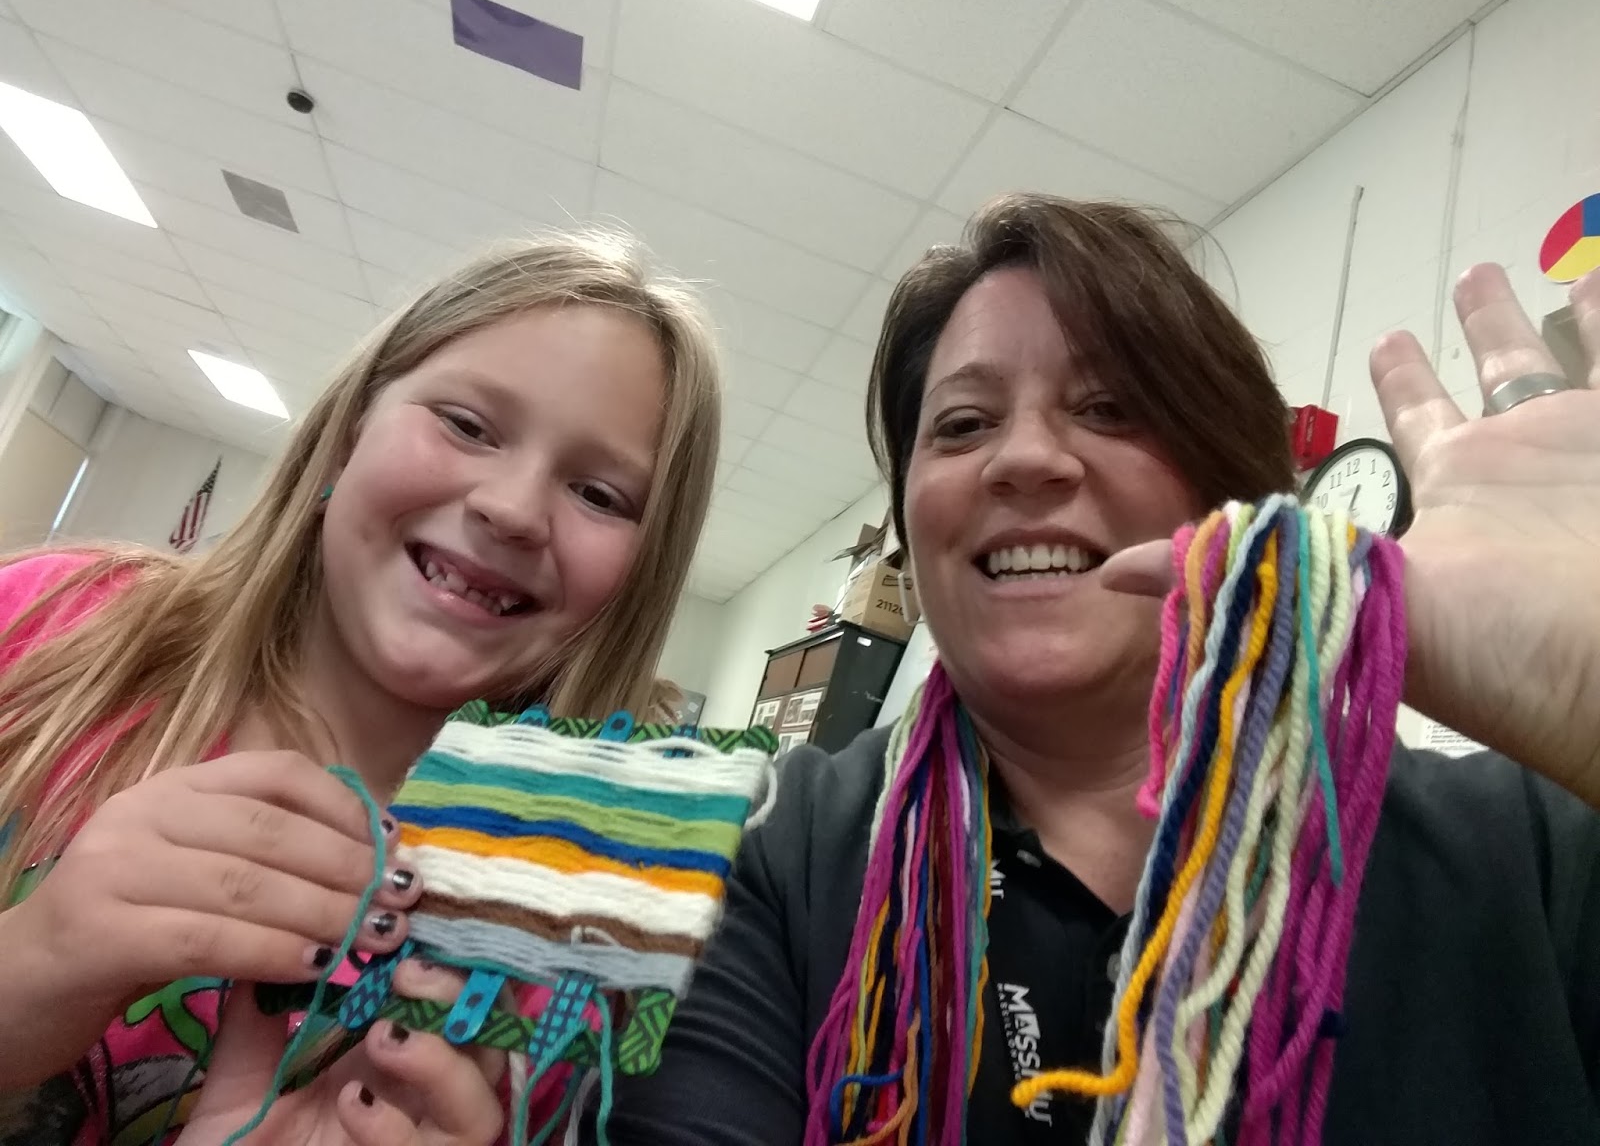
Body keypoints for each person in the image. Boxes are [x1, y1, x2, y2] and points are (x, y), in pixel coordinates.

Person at [605, 194, 1600, 1144]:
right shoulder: (768, 851)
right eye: (959, 425)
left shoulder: (1531, 851)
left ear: (1237, 496)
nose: (1026, 458)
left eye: (1112, 408)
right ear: (910, 523)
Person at [0, 231, 721, 1146]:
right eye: (466, 424)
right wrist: (26, 973)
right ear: (350, 430)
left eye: (601, 494)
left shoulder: (555, 979)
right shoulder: (51, 632)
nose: (511, 507)